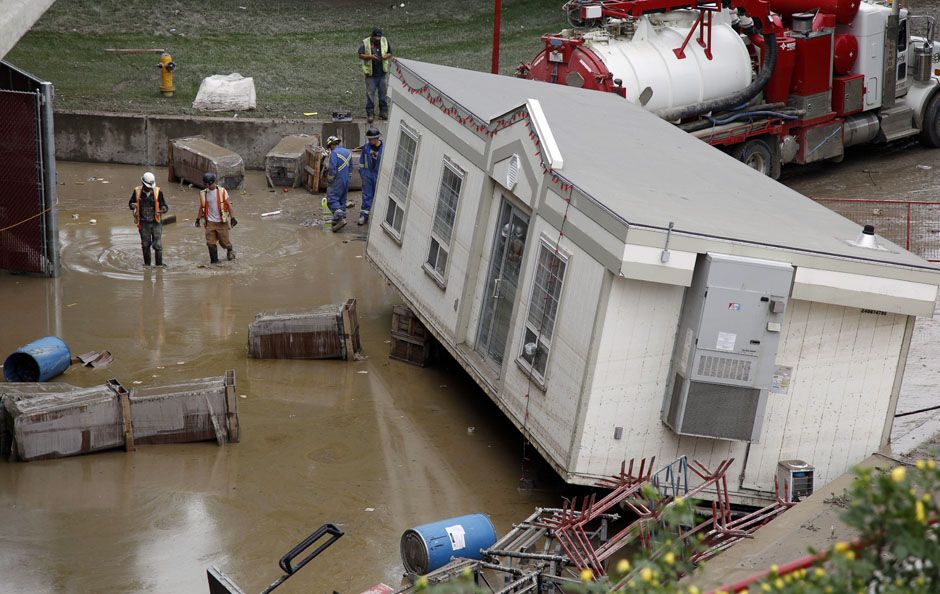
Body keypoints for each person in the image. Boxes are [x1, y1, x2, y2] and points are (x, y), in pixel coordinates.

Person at [194, 172, 238, 264]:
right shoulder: (204, 193)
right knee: (210, 243)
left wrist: (233, 218)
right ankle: (214, 262)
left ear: (212, 182)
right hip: (210, 222)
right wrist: (197, 219)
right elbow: (201, 207)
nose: (206, 186)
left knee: (224, 242)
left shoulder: (222, 191)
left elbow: (229, 205)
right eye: (205, 184)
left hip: (222, 222)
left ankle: (230, 249)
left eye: (207, 184)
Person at [128, 171, 169, 267]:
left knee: (158, 245)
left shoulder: (158, 192)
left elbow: (165, 206)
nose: (149, 188)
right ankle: (147, 265)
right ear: (143, 183)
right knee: (145, 245)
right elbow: (130, 204)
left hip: (156, 222)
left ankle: (159, 265)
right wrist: (132, 205)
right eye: (147, 187)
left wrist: (163, 209)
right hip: (143, 223)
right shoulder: (137, 192)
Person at [357, 27, 392, 123]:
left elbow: (390, 52)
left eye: (379, 38)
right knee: (370, 95)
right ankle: (370, 113)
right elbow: (360, 55)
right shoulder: (366, 42)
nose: (377, 40)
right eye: (376, 38)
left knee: (383, 95)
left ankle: (383, 112)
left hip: (382, 74)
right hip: (371, 75)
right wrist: (371, 57)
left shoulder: (384, 41)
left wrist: (386, 56)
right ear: (372, 36)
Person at [325, 136, 352, 232]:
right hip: (346, 180)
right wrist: (348, 178)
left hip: (337, 180)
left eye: (329, 146)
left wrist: (329, 180)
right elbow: (351, 167)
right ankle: (339, 218)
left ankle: (340, 219)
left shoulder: (334, 153)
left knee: (331, 199)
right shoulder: (348, 152)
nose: (329, 148)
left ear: (332, 145)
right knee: (342, 199)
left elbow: (332, 168)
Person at [358, 127, 384, 226]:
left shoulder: (384, 148)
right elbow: (361, 162)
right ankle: (364, 215)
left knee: (379, 196)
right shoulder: (366, 147)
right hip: (368, 175)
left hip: (379, 174)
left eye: (371, 139)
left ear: (377, 138)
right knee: (367, 195)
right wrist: (362, 173)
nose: (369, 141)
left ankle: (378, 217)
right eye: (368, 139)